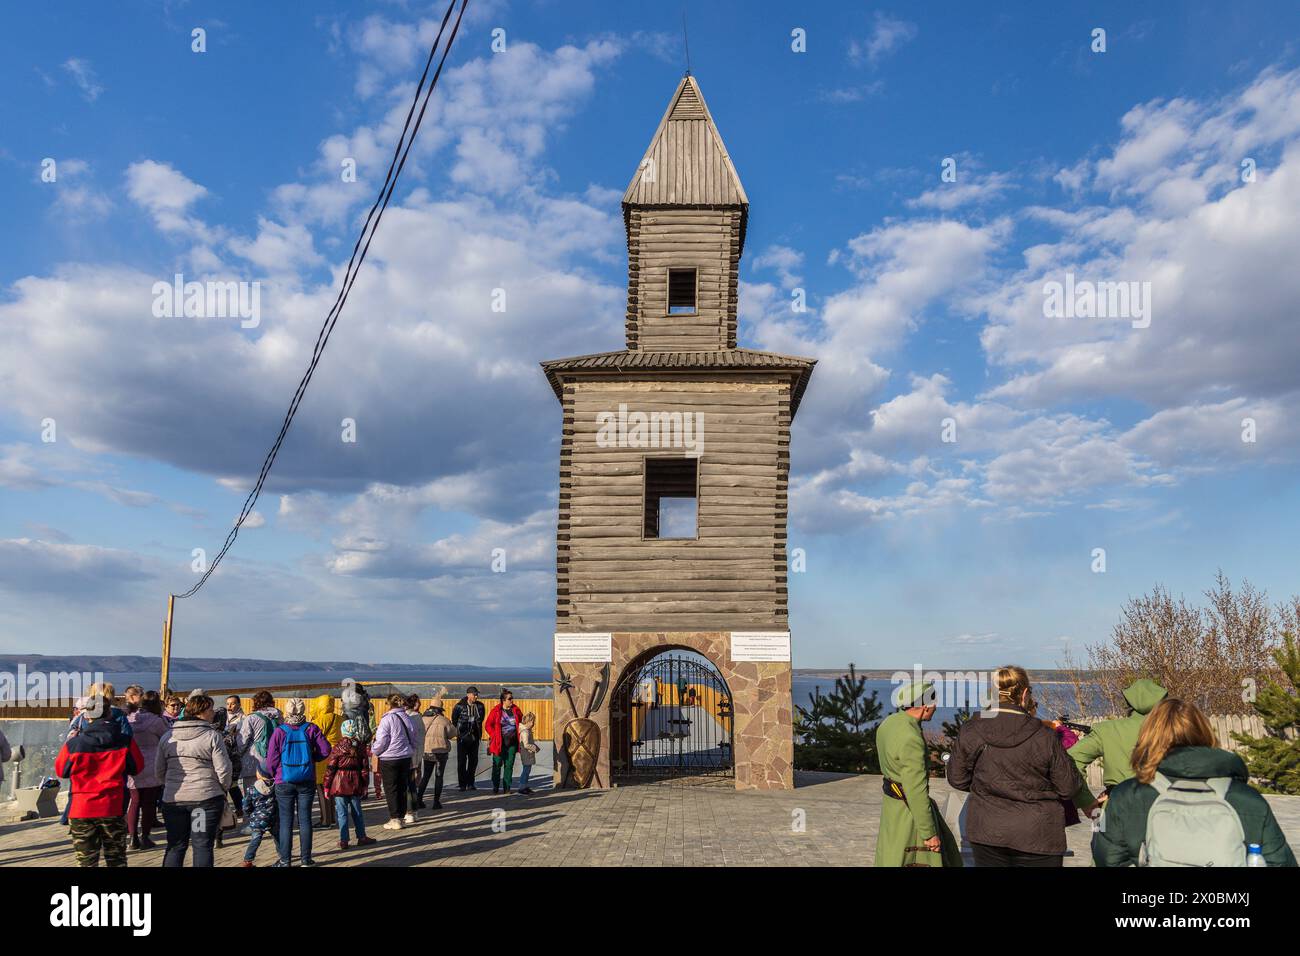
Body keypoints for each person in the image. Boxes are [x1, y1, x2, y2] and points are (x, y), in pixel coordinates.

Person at [1092, 698, 1296, 867]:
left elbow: (1107, 859)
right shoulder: (1247, 800)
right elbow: (1280, 861)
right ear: (1204, 732)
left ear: (1148, 737)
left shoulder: (1127, 795)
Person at [946, 666, 1084, 867]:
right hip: (1038, 832)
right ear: (1025, 694)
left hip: (988, 829)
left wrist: (988, 786)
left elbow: (957, 778)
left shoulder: (972, 729)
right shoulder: (1045, 735)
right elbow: (1069, 786)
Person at [873, 680, 961, 867]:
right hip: (909, 814)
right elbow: (916, 791)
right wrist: (928, 833)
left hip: (892, 808)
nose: (936, 706)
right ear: (924, 706)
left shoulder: (889, 723)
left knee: (891, 856)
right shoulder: (911, 738)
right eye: (933, 702)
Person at [54, 693, 144, 867]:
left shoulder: (74, 744)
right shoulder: (124, 741)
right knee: (116, 859)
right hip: (113, 805)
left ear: (86, 716)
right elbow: (138, 767)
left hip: (81, 808)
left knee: (86, 862)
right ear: (110, 713)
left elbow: (61, 770)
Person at [155, 693, 232, 868]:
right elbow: (223, 770)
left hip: (174, 800)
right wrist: (221, 788)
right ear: (202, 711)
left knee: (175, 845)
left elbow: (159, 771)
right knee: (202, 845)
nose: (213, 712)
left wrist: (168, 785)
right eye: (211, 709)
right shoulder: (212, 736)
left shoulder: (167, 737)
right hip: (204, 799)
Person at [1069, 678, 1167, 814]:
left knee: (1103, 833)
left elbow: (1070, 760)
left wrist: (1085, 801)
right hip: (1163, 809)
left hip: (1115, 807)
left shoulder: (1107, 730)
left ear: (1128, 703)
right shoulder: (1175, 731)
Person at [266, 697, 332, 867]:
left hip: (283, 780)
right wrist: (313, 759)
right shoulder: (311, 728)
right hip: (306, 778)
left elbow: (271, 760)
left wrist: (275, 774)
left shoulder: (280, 731)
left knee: (286, 822)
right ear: (303, 711)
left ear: (287, 711)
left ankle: (285, 860)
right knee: (305, 820)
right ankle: (306, 859)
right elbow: (326, 750)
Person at [125, 692, 169, 850]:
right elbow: (167, 737)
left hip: (133, 762)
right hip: (152, 763)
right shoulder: (156, 721)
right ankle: (145, 836)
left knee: (134, 802)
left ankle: (132, 838)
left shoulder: (130, 718)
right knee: (149, 803)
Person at [324, 719, 376, 850]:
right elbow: (364, 769)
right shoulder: (360, 747)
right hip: (355, 782)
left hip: (339, 783)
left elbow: (330, 769)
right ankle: (362, 837)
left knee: (341, 813)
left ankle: (344, 840)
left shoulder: (337, 747)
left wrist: (326, 786)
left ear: (343, 732)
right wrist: (365, 785)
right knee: (357, 811)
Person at [372, 693, 418, 829]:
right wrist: (410, 749)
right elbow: (414, 737)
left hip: (389, 758)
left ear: (389, 704)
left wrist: (375, 750)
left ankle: (394, 818)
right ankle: (402, 817)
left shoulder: (387, 719)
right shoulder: (408, 718)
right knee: (403, 787)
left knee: (391, 788)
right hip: (405, 756)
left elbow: (382, 740)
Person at [236, 690, 281, 795]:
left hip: (254, 761)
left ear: (256, 703)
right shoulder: (279, 716)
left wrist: (239, 754)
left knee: (251, 793)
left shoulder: (251, 718)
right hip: (275, 760)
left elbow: (242, 742)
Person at [307, 693, 342, 827]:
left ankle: (325, 819)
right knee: (332, 789)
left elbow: (314, 740)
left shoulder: (318, 721)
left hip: (323, 757)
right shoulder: (340, 718)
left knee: (322, 788)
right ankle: (333, 817)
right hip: (338, 755)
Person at [418, 698, 457, 809]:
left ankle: (419, 799)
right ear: (440, 709)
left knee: (426, 775)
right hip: (441, 753)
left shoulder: (422, 719)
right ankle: (436, 802)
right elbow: (453, 733)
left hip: (427, 751)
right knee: (439, 776)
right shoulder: (444, 720)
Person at [486, 689, 524, 795]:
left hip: (512, 743)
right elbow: (488, 725)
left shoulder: (516, 710)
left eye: (512, 698)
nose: (512, 700)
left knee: (509, 765)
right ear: (503, 700)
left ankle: (507, 788)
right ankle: (495, 786)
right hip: (499, 743)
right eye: (510, 699)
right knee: (497, 764)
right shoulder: (496, 711)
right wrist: (494, 735)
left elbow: (521, 722)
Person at [240, 769, 280, 868]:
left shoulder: (252, 788)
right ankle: (284, 856)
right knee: (278, 837)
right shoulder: (276, 786)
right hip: (273, 817)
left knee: (255, 839)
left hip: (258, 819)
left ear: (260, 775)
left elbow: (246, 805)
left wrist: (250, 815)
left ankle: (247, 860)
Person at [452, 687, 485, 791]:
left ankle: (471, 783)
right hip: (462, 738)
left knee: (473, 761)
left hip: (474, 737)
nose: (476, 696)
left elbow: (481, 719)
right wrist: (461, 731)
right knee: (461, 761)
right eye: (474, 694)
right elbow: (454, 720)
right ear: (468, 695)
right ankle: (462, 784)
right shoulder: (459, 706)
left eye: (477, 694)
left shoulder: (480, 706)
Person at [405, 694, 428, 810]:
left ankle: (407, 805)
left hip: (403, 753)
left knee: (408, 778)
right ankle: (413, 806)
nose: (420, 704)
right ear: (414, 704)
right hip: (415, 751)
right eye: (418, 702)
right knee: (413, 778)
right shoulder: (417, 717)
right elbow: (421, 735)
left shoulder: (402, 715)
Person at [517, 711, 540, 795]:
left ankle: (525, 786)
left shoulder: (527, 730)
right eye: (532, 722)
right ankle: (522, 787)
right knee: (526, 770)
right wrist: (535, 748)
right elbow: (526, 744)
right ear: (528, 722)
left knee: (527, 770)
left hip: (528, 754)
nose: (533, 723)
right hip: (526, 753)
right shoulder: (525, 732)